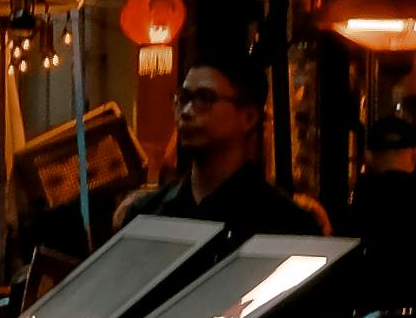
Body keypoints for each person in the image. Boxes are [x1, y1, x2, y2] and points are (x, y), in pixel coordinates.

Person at [128, 51, 325, 245]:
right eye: (183, 98)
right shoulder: (146, 216)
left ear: (248, 118)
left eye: (204, 99)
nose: (186, 112)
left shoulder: (285, 224)